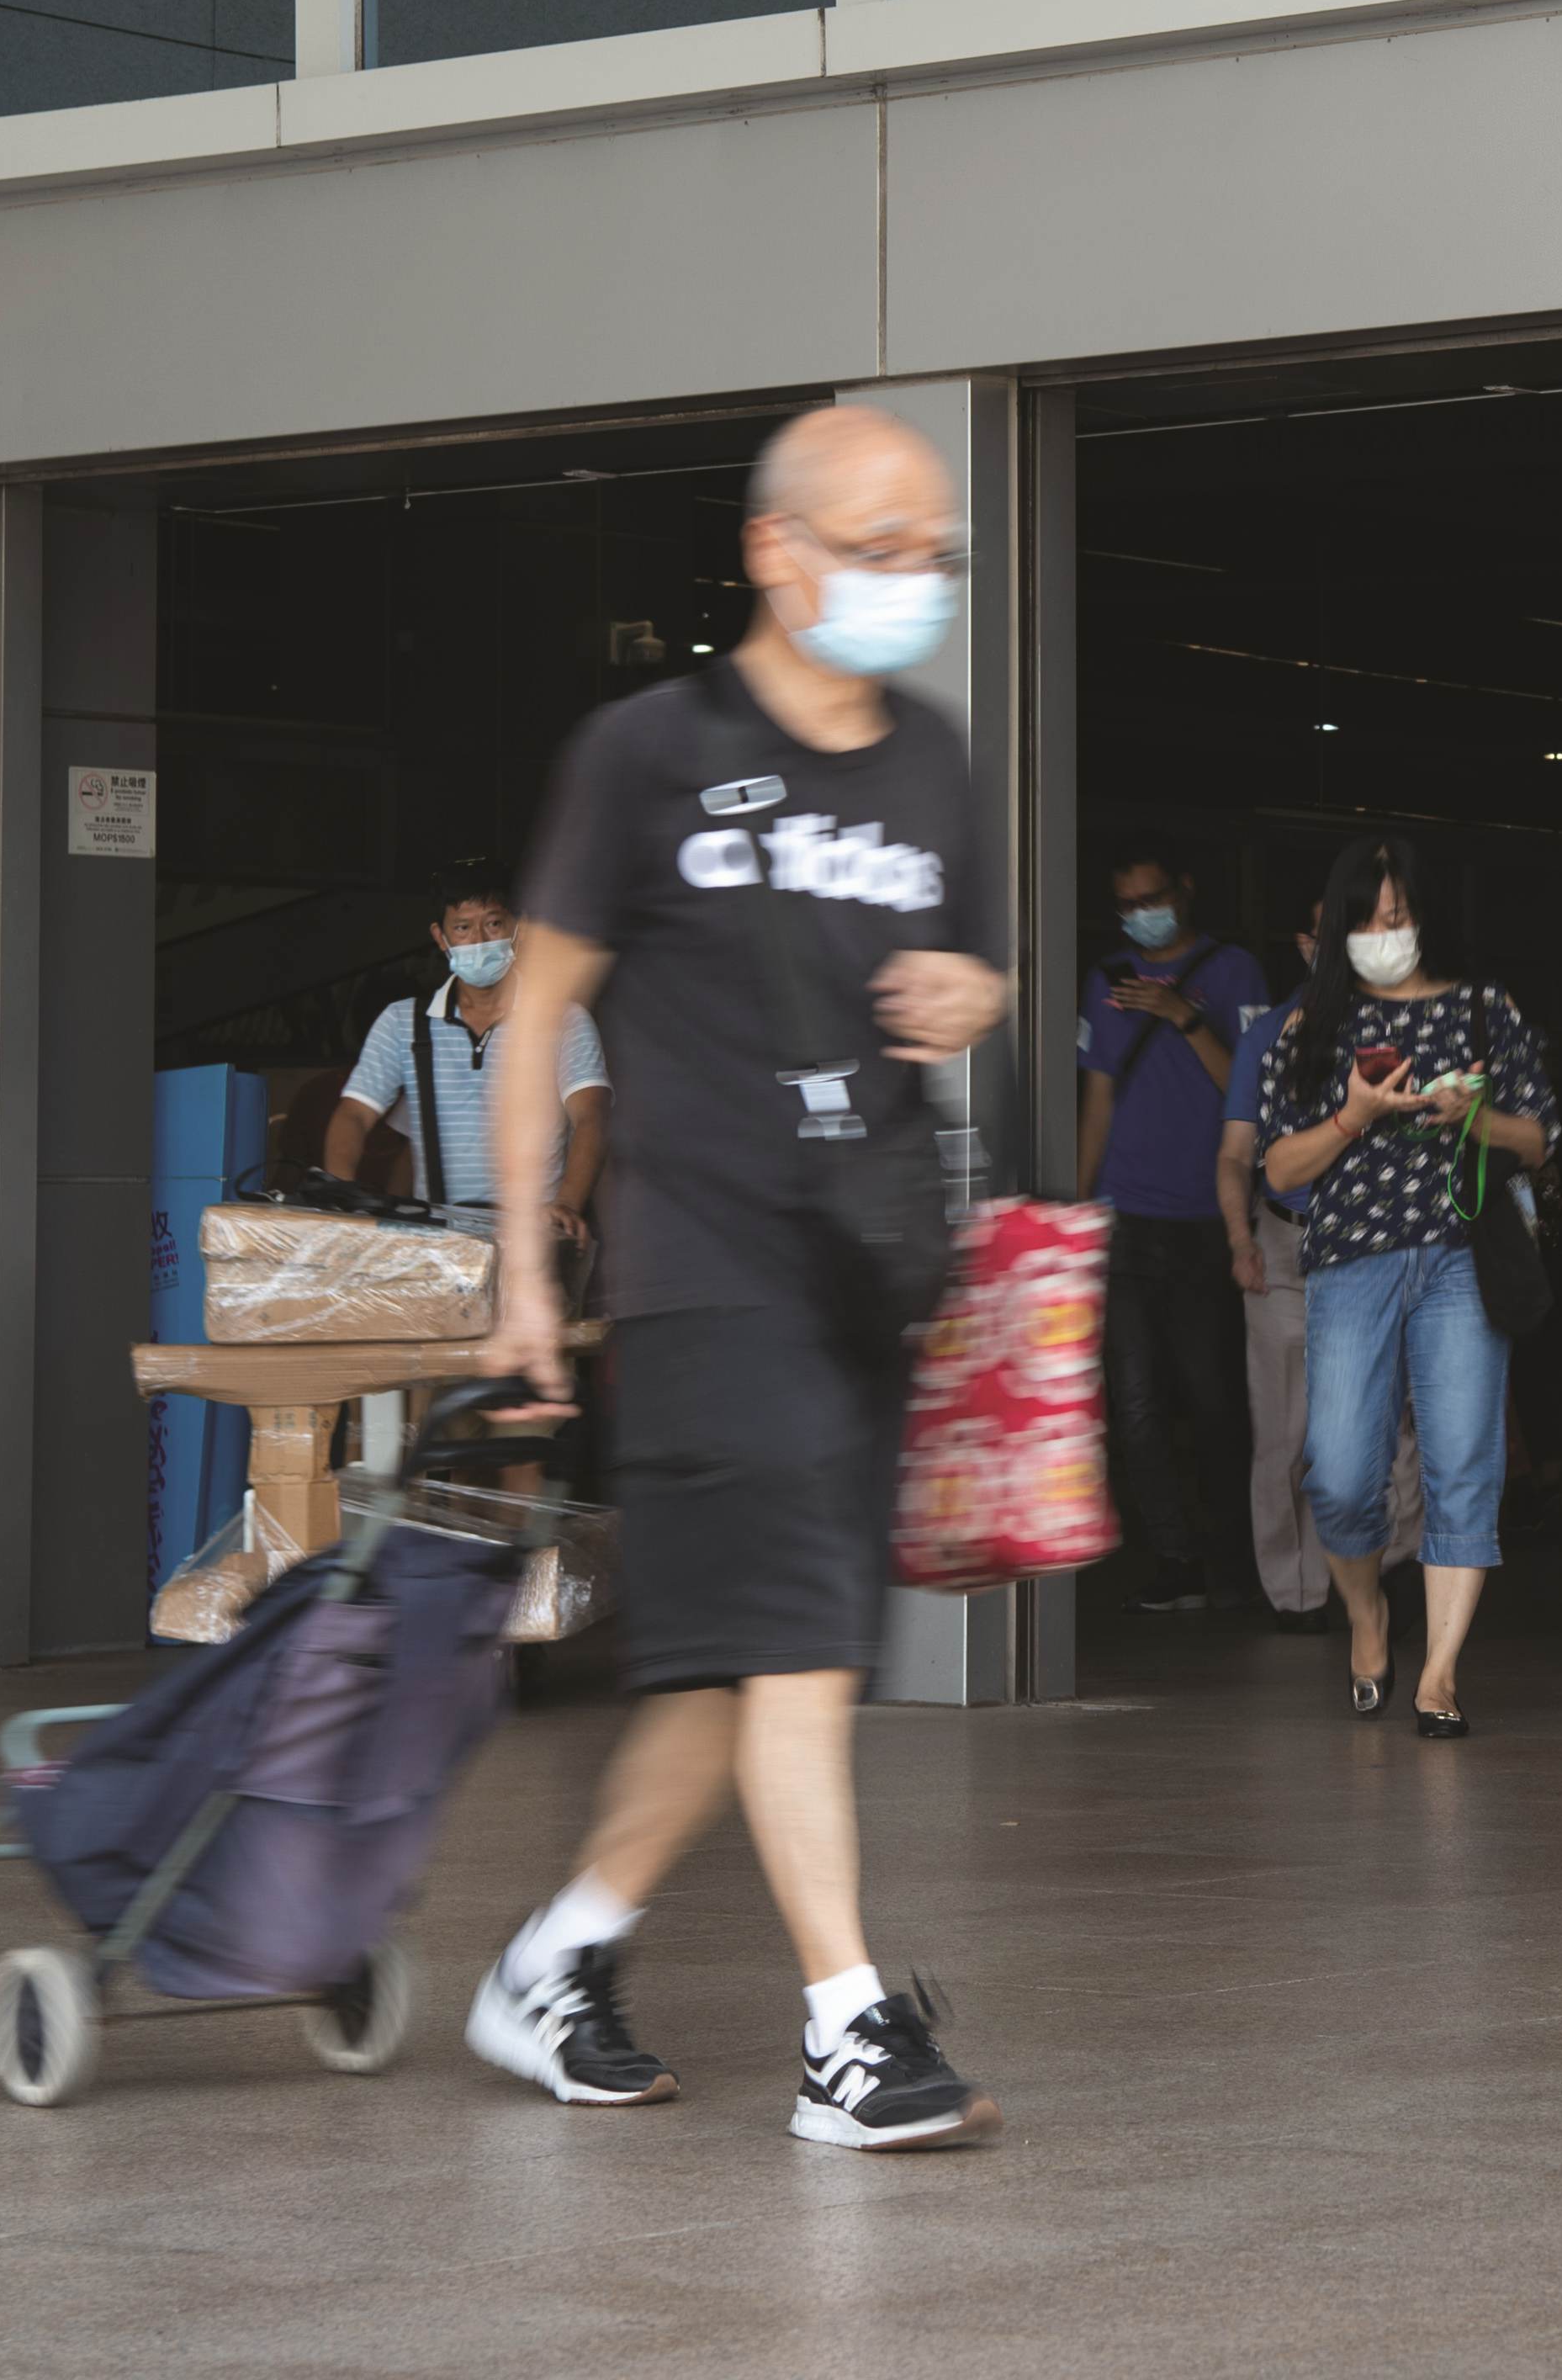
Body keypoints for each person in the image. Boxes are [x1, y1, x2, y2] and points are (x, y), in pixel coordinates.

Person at [466, 403, 1005, 2151]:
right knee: (790, 1646)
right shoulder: (645, 750)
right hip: (704, 1268)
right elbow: (536, 1012)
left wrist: (972, 996)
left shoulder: (931, 759)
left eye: (934, 552)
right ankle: (848, 2027)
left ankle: (555, 1957)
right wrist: (524, 1264)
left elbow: (966, 969)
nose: (914, 579)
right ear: (775, 549)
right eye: (879, 546)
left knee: (732, 1663)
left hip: (866, 1274)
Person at [1254, 838, 1554, 1737]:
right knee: (1342, 1472)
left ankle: (1441, 1674)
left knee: (1463, 1463)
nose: (1385, 933)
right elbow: (1279, 1168)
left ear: (1427, 916)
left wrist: (1476, 1116)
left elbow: (1540, 1139)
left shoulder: (1482, 1008)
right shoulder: (1311, 1025)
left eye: (1399, 916)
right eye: (1366, 920)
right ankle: (1367, 1613)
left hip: (1462, 1255)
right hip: (1351, 1260)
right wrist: (1355, 1115)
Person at [1075, 850, 1268, 1616]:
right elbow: (1097, 1100)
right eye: (1126, 904)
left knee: (1213, 1395)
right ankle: (1174, 1556)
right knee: (1136, 1402)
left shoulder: (1234, 970)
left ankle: (1235, 1557)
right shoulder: (1107, 977)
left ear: (1185, 891)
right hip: (1125, 1215)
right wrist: (1080, 1207)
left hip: (1207, 1216)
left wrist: (1181, 1016)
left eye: (1151, 898)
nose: (1140, 915)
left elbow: (1249, 1087)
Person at [1219, 922, 1418, 1632]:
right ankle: (1298, 1592)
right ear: (1302, 941)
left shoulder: (1407, 1022)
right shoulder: (1267, 1035)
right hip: (1286, 1242)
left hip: (1376, 1240)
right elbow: (1238, 1154)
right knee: (1286, 1428)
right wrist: (1240, 1239)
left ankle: (1395, 1567)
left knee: (1394, 1420)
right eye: (1325, 930)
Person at [321, 876, 610, 1235]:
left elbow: (591, 1116)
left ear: (518, 929)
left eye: (493, 924)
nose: (479, 940)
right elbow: (354, 1114)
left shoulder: (564, 1020)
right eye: (462, 928)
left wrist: (567, 1204)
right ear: (440, 937)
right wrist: (341, 1196)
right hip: (439, 1240)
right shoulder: (403, 1023)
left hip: (533, 1237)